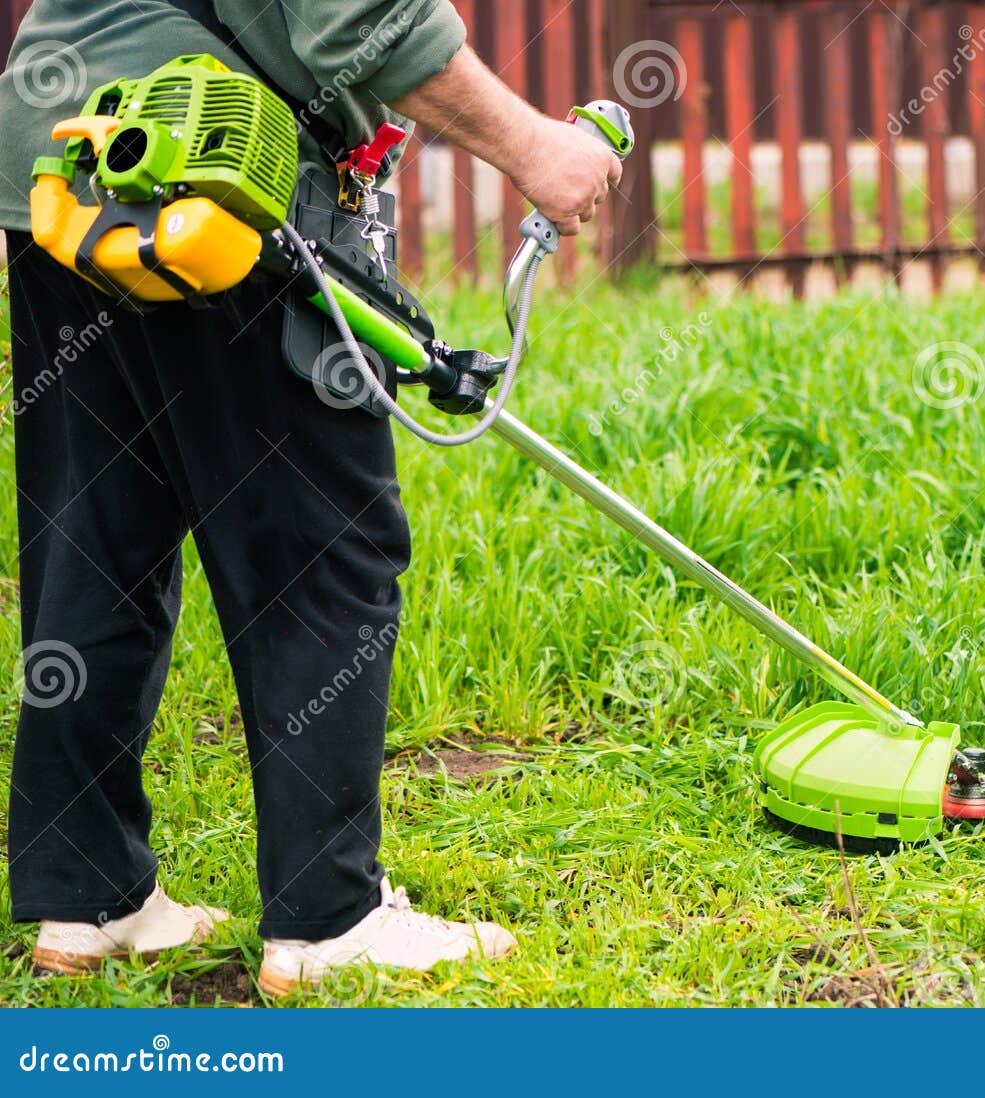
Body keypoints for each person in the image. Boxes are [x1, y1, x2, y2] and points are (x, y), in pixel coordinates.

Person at [0, 0, 620, 997]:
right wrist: (536, 149)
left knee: (99, 535)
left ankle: (92, 896)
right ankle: (330, 920)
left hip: (64, 168)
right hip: (214, 173)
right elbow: (357, 19)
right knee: (322, 550)